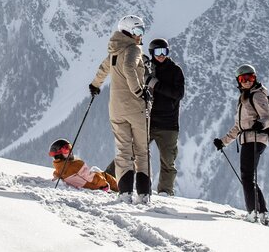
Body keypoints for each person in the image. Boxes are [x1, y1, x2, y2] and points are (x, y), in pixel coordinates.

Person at [90, 14, 152, 204]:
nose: (142, 35)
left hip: (115, 109)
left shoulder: (114, 50)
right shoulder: (133, 49)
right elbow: (129, 68)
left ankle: (125, 193)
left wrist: (95, 85)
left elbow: (103, 69)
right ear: (130, 31)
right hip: (135, 108)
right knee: (141, 150)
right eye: (140, 30)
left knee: (123, 150)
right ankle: (143, 195)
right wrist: (140, 92)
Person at [213, 63, 269, 225]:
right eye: (243, 78)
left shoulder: (257, 95)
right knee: (249, 178)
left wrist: (260, 124)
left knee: (247, 177)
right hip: (248, 139)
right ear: (238, 81)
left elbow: (267, 118)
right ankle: (262, 212)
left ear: (255, 78)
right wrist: (223, 142)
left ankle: (253, 212)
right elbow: (240, 127)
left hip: (255, 139)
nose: (247, 81)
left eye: (250, 77)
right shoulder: (245, 97)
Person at [145, 38, 185, 195]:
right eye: (158, 52)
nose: (161, 55)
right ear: (151, 53)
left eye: (165, 52)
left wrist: (155, 84)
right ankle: (112, 180)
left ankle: (165, 192)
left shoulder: (175, 70)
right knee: (133, 152)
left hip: (168, 124)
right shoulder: (147, 70)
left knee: (168, 161)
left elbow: (178, 94)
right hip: (148, 121)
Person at [49, 138, 119, 191]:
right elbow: (93, 178)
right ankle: (123, 188)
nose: (70, 151)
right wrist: (105, 185)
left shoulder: (59, 170)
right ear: (59, 154)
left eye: (69, 147)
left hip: (90, 183)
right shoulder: (76, 165)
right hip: (102, 184)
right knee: (117, 163)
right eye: (66, 149)